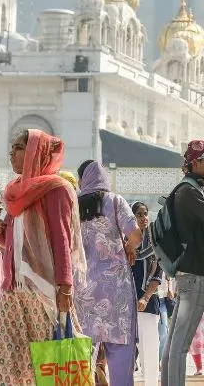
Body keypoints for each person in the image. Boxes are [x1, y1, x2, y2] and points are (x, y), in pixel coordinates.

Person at [0, 129, 86, 386]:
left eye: (19, 148)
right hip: (13, 292)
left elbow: (62, 240)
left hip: (43, 292)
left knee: (45, 364)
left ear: (36, 153)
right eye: (12, 148)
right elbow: (15, 244)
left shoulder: (57, 189)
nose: (11, 154)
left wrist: (65, 287)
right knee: (9, 366)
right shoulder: (16, 192)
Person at [161, 140, 204, 386]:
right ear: (196, 162)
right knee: (179, 347)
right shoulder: (189, 192)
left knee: (173, 345)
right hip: (196, 277)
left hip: (188, 275)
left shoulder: (187, 189)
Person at [74, 160, 143, 386]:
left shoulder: (73, 205)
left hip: (83, 289)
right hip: (116, 290)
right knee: (120, 349)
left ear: (82, 180)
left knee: (83, 353)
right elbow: (136, 236)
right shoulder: (115, 201)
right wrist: (128, 248)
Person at [131, 201, 164, 386]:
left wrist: (145, 297)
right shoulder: (125, 244)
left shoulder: (155, 243)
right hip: (127, 302)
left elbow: (158, 273)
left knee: (150, 349)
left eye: (145, 214)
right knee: (128, 351)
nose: (144, 218)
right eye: (139, 214)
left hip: (148, 302)